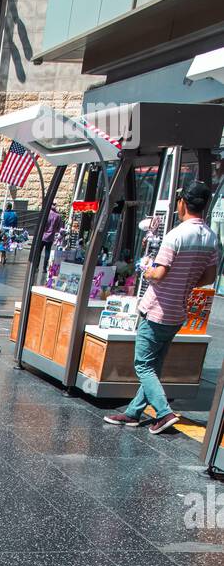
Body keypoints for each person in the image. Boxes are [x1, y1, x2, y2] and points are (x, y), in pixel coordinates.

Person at [104, 181, 219, 435]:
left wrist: (145, 268)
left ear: (182, 203)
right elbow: (208, 277)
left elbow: (159, 274)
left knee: (143, 366)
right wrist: (186, 281)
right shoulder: (211, 237)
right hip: (178, 311)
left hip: (157, 309)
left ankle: (163, 412)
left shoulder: (176, 235)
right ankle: (133, 413)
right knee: (153, 366)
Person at [40, 203, 63, 283]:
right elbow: (59, 228)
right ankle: (44, 268)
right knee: (47, 252)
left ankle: (36, 266)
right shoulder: (58, 216)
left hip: (43, 235)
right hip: (50, 237)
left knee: (39, 251)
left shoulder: (46, 214)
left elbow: (43, 224)